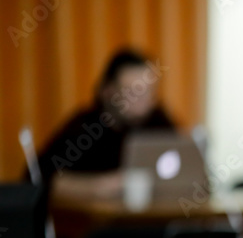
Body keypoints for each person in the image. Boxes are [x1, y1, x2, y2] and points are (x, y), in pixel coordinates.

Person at [36, 48, 174, 202]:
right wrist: (95, 187)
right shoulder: (86, 128)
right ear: (108, 91)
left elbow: (185, 167)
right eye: (132, 92)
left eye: (149, 92)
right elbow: (40, 178)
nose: (142, 101)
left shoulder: (159, 122)